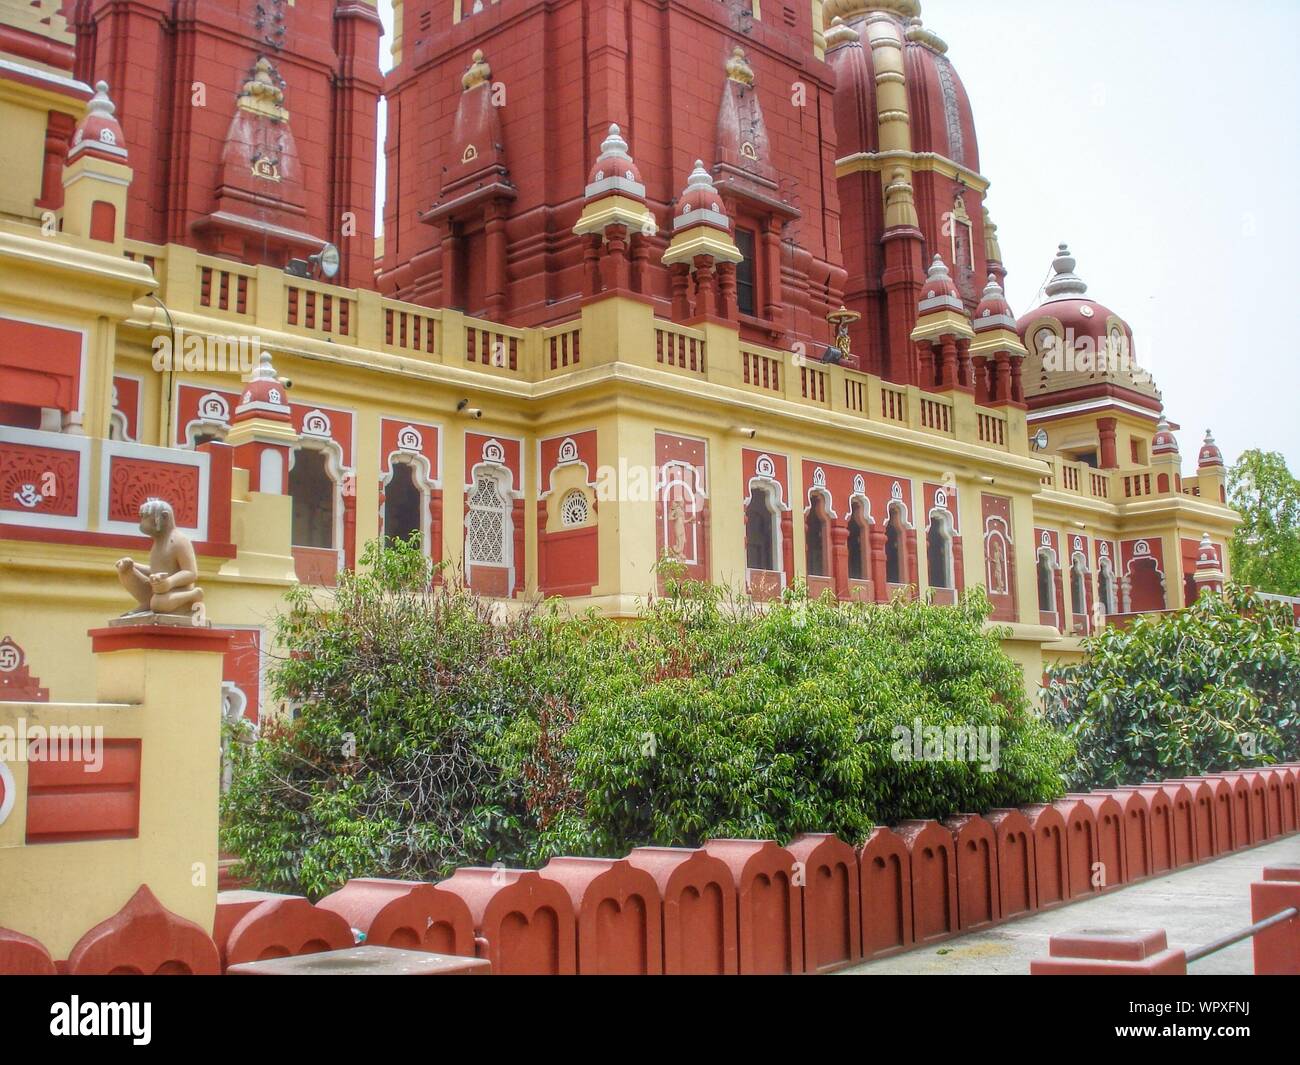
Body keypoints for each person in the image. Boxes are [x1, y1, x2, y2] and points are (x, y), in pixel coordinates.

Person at [115, 499, 204, 616]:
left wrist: (169, 582)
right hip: (159, 591)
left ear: (164, 517)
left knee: (158, 604)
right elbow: (155, 571)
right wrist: (132, 565)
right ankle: (147, 603)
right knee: (125, 572)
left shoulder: (180, 541)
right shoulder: (158, 543)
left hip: (176, 593)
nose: (142, 522)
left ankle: (194, 595)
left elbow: (191, 573)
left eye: (146, 517)